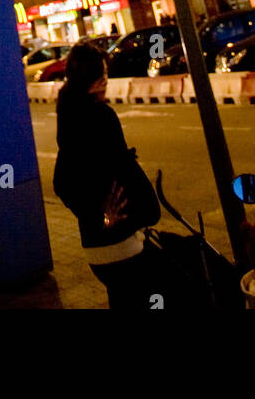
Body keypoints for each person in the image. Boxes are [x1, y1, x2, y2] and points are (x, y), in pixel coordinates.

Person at [53, 42, 161, 309]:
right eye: (104, 74)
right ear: (99, 80)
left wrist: (94, 214)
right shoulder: (101, 116)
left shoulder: (68, 114)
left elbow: (61, 183)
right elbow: (126, 171)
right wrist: (144, 212)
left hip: (93, 247)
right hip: (121, 243)